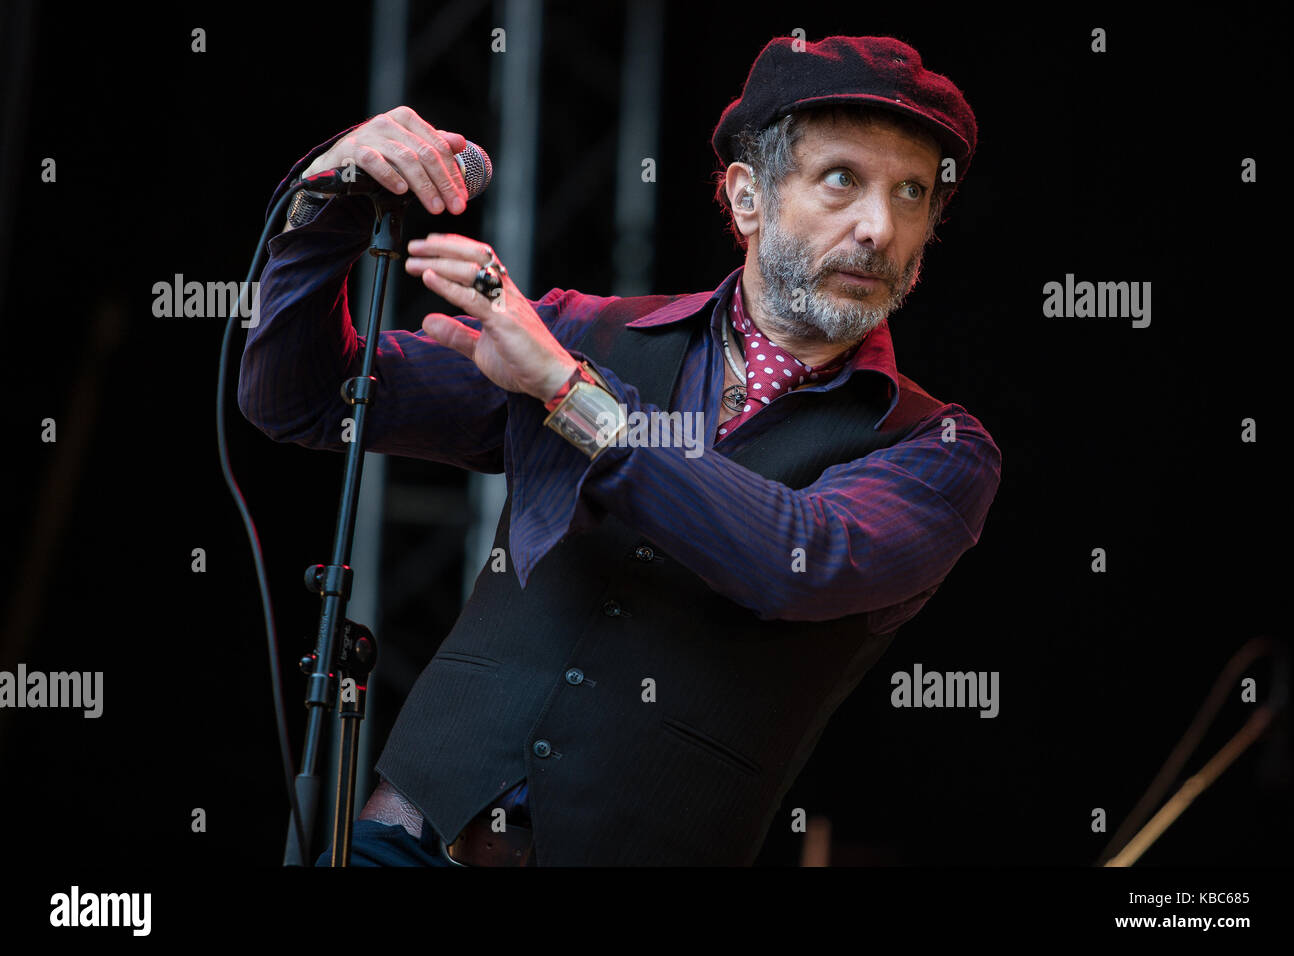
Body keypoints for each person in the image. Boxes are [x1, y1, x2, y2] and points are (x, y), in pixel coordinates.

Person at [239, 33, 1001, 866]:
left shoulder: (940, 448)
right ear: (748, 198)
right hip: (411, 845)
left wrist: (570, 395)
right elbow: (302, 400)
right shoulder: (581, 330)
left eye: (913, 193)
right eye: (843, 179)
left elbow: (799, 557)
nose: (877, 226)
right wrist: (327, 202)